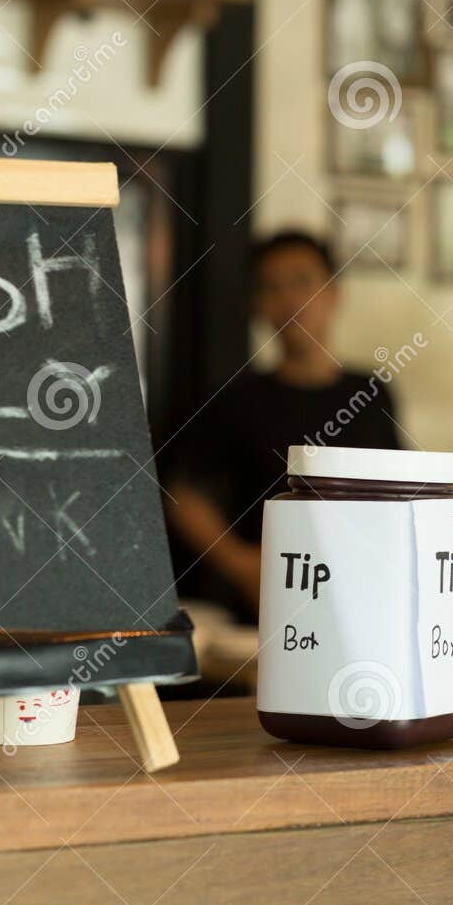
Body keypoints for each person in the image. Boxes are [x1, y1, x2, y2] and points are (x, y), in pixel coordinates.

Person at [165, 230, 402, 619]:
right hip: (270, 609)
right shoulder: (239, 398)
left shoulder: (373, 394)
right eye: (271, 287)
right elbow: (183, 497)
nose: (290, 300)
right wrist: (243, 565)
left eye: (301, 281)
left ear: (333, 292)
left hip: (362, 598)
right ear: (258, 305)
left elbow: (401, 495)